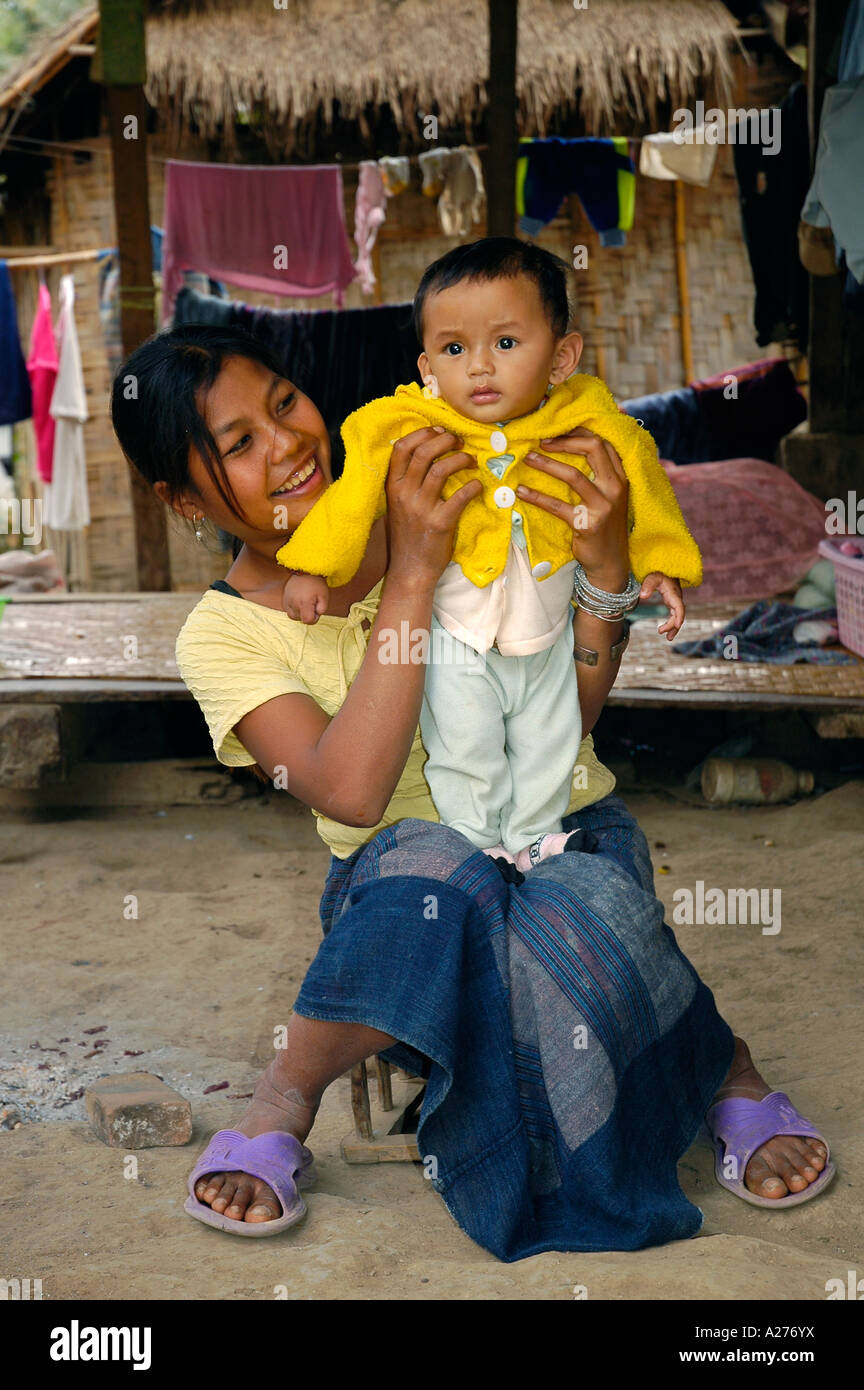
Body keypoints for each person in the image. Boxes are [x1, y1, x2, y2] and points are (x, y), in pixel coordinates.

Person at [110, 322, 833, 1261]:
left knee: (572, 894)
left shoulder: (457, 498)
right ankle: (288, 1088)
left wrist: (606, 569)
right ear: (180, 500)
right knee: (444, 874)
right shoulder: (226, 635)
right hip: (407, 907)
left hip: (553, 825)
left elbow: (569, 714)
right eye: (238, 444)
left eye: (284, 402)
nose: (287, 443)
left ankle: (720, 1062)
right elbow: (354, 794)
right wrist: (414, 571)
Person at [278, 239, 701, 873]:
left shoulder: (588, 417)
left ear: (562, 357)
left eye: (505, 344)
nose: (479, 367)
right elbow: (355, 489)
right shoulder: (406, 423)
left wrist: (661, 561)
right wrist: (313, 564)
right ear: (427, 366)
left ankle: (534, 837)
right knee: (463, 743)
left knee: (550, 739)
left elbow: (644, 478)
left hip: (550, 636)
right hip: (459, 636)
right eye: (455, 349)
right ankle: (476, 844)